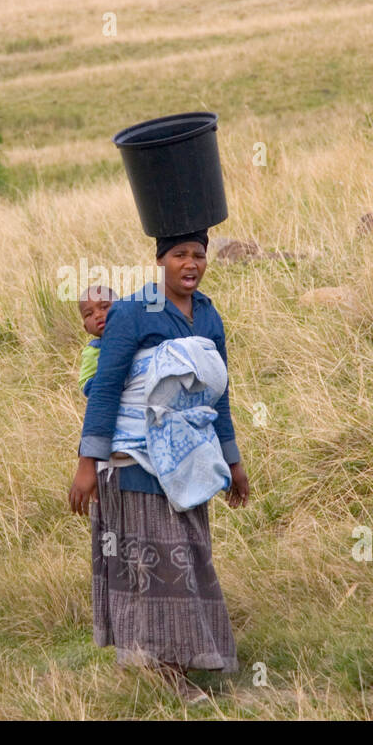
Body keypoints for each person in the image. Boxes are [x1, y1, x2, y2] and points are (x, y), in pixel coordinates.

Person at [69, 231, 250, 701]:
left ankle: (178, 661)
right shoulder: (134, 310)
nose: (190, 263)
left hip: (189, 459)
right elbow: (107, 387)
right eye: (179, 255)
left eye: (198, 255)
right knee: (159, 567)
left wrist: (234, 461)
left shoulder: (208, 315)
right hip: (136, 459)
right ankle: (172, 675)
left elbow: (218, 393)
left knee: (187, 558)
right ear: (159, 260)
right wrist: (87, 463)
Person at [77, 285, 116, 396]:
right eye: (89, 314)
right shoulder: (93, 350)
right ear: (86, 328)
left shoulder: (137, 333)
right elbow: (84, 383)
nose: (98, 315)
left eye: (104, 307)